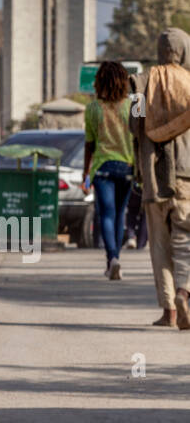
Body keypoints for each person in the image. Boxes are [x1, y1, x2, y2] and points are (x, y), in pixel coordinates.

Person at [130, 26, 190, 329]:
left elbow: (134, 125)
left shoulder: (141, 82)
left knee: (159, 245)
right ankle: (184, 291)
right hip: (187, 179)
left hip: (154, 178)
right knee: (187, 240)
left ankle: (169, 312)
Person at [83, 61, 135, 280]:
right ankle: (114, 260)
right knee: (119, 216)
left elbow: (90, 144)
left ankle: (112, 258)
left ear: (99, 82)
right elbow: (142, 135)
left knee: (106, 214)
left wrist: (85, 173)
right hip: (128, 168)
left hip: (103, 168)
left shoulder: (93, 108)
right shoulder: (135, 103)